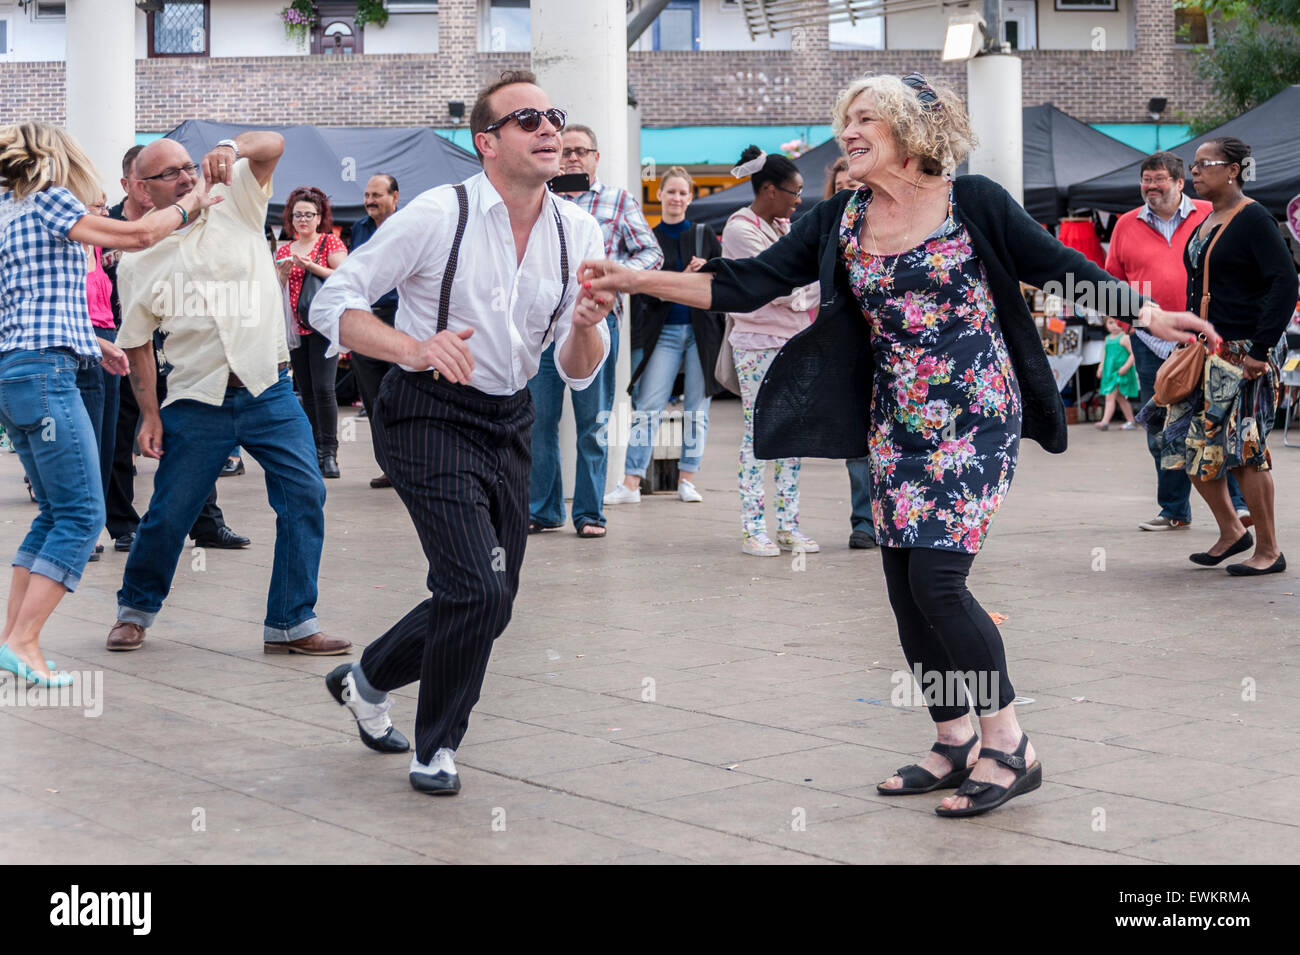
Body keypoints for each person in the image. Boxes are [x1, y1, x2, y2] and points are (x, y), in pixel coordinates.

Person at [581, 73, 1212, 816]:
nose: (849, 130)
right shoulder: (840, 219)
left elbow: (1060, 271)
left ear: (912, 131)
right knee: (904, 591)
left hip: (976, 418)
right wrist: (633, 280)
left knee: (939, 582)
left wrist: (1148, 315)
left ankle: (1010, 743)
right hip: (895, 425)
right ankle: (952, 739)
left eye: (867, 118)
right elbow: (745, 284)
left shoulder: (970, 202)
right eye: (847, 117)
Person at [310, 70, 611, 795]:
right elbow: (334, 302)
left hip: (509, 417)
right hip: (427, 409)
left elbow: (577, 368)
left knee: (492, 600)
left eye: (555, 117)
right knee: (474, 586)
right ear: (487, 142)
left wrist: (585, 329)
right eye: (528, 118)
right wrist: (413, 348)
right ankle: (436, 746)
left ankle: (369, 676)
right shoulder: (436, 214)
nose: (550, 129)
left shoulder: (580, 230)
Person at [107, 132, 352, 657]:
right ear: (143, 192)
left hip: (270, 390)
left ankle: (291, 620)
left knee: (305, 495)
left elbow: (273, 145)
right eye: (169, 173)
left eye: (186, 166)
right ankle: (134, 610)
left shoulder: (234, 198)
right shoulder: (138, 260)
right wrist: (149, 415)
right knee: (171, 513)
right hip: (196, 401)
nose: (187, 176)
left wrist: (229, 145)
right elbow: (138, 346)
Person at [0, 121, 210, 686]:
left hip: (19, 374)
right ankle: (22, 640)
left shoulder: (6, 209)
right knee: (82, 515)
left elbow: (24, 297)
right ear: (60, 158)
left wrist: (94, 341)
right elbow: (137, 236)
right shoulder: (48, 200)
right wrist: (195, 201)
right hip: (45, 375)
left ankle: (10, 642)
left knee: (53, 512)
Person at [1153, 136, 1295, 575]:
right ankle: (1233, 531)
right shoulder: (1209, 219)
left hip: (1245, 353)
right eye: (1193, 166)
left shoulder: (1254, 219)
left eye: (1203, 164)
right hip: (1206, 352)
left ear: (1233, 169)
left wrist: (1260, 348)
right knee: (1180, 445)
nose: (1194, 172)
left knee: (1245, 450)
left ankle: (1269, 551)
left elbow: (1285, 283)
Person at [104, 146, 250, 554]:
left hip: (174, 346)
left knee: (190, 435)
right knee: (122, 435)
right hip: (123, 345)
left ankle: (207, 524)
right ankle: (122, 523)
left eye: (180, 170)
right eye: (163, 174)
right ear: (133, 184)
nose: (178, 180)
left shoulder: (189, 214)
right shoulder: (109, 224)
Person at [528, 122, 662, 538]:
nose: (572, 158)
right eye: (566, 151)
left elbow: (651, 253)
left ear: (595, 157)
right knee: (538, 423)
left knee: (593, 424)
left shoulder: (617, 200)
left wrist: (614, 278)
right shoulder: (540, 200)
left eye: (581, 151)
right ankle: (544, 510)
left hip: (597, 327)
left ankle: (589, 514)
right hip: (545, 330)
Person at [1105, 151, 1250, 531]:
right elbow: (1110, 281)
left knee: (1218, 419)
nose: (1151, 187)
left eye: (1159, 180)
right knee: (1161, 426)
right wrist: (1126, 321)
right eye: (1146, 180)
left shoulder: (1210, 212)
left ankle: (1238, 506)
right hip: (1150, 340)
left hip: (1207, 336)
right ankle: (1173, 510)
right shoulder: (1125, 224)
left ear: (1180, 182)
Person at [603, 166, 725, 505]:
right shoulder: (648, 240)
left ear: (690, 197)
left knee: (697, 409)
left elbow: (724, 283)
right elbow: (640, 292)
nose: (676, 198)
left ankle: (687, 479)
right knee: (648, 406)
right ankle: (630, 484)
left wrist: (705, 275)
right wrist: (679, 281)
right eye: (670, 191)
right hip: (664, 333)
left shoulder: (705, 235)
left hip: (702, 333)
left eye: (682, 193)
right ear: (659, 195)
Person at [721, 145, 819, 558]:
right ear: (769, 189)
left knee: (791, 436)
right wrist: (809, 290)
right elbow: (776, 285)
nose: (798, 201)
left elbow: (802, 281)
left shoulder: (781, 227)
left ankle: (788, 526)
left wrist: (805, 288)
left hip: (792, 342)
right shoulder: (740, 229)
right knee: (758, 435)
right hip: (758, 344)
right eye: (794, 192)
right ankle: (753, 528)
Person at [275, 186, 348, 478]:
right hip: (295, 328)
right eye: (297, 215)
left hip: (323, 327)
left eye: (308, 214)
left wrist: (311, 266)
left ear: (320, 217)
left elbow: (345, 275)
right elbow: (274, 289)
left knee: (324, 390)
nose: (302, 220)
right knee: (305, 392)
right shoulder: (284, 249)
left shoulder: (329, 243)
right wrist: (281, 273)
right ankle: (311, 450)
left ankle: (329, 453)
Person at [827, 156, 877, 550]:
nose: (851, 192)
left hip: (896, 352)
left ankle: (898, 517)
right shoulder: (827, 232)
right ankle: (864, 521)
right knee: (859, 442)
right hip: (848, 348)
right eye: (842, 187)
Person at [347, 173, 401, 489]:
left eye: (376, 195)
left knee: (403, 396)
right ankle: (389, 467)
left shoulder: (410, 225)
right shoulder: (359, 229)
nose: (370, 201)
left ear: (395, 196)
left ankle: (410, 464)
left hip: (400, 320)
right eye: (367, 195)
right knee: (374, 399)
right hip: (365, 319)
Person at [74, 191, 118, 563]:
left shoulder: (98, 250)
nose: (105, 212)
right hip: (83, 344)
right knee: (84, 438)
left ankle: (95, 522)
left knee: (105, 437)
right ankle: (81, 525)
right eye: (97, 206)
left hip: (109, 340)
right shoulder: (69, 252)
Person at [1094, 316, 1139, 430]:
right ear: (1106, 325)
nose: (1114, 326)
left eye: (1116, 322)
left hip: (1120, 373)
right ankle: (1131, 421)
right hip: (1110, 372)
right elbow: (1104, 356)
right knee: (1120, 398)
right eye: (1110, 323)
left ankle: (1105, 422)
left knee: (1110, 395)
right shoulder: (1107, 339)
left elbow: (1133, 354)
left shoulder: (1124, 338)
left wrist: (1126, 367)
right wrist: (1101, 367)